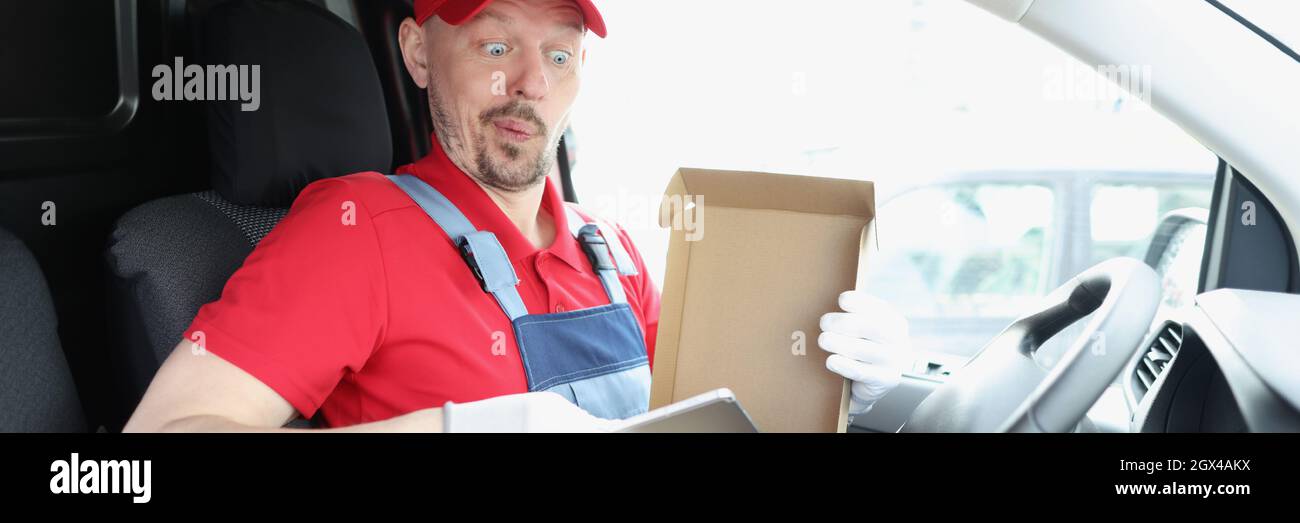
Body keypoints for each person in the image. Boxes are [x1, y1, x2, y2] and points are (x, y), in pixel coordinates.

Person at [124, 0, 910, 433]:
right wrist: (451, 431)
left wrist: (821, 380)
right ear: (420, 53)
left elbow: (705, 417)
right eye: (496, 44)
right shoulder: (357, 229)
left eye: (559, 55)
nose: (531, 82)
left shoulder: (614, 252)